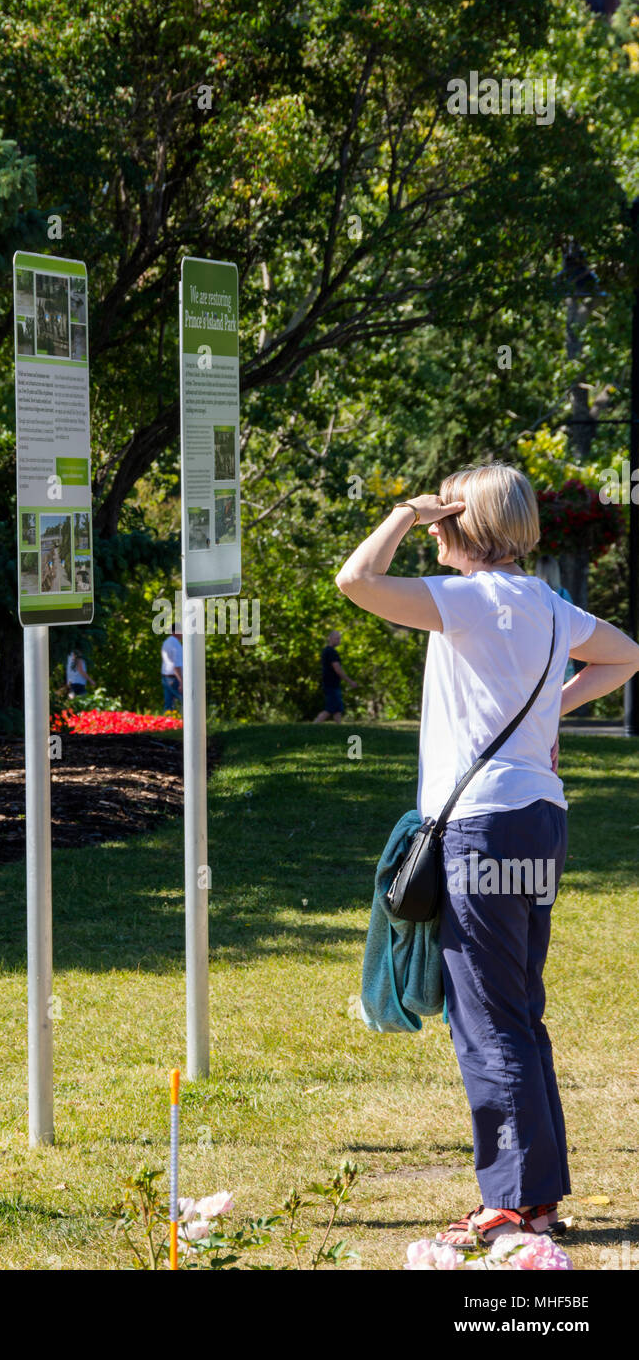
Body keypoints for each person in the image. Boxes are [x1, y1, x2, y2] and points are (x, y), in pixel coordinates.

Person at [335, 461, 639, 1249]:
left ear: (463, 525)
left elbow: (356, 580)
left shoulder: (464, 601)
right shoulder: (546, 603)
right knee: (518, 1012)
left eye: (444, 518)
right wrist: (551, 712)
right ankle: (535, 1197)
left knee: (488, 1018)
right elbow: (626, 655)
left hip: (480, 828)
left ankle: (512, 1203)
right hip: (539, 821)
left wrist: (402, 511)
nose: (434, 528)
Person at [313, 629, 357, 722]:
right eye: (337, 638)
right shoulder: (331, 652)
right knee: (330, 708)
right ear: (330, 638)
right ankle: (314, 725)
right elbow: (337, 669)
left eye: (339, 638)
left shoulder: (326, 651)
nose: (339, 640)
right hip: (331, 684)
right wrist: (350, 681)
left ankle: (339, 728)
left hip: (332, 684)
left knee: (337, 708)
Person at [161, 624, 183, 712]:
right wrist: (181, 682)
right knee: (186, 701)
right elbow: (176, 665)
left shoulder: (166, 642)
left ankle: (168, 723)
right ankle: (184, 723)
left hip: (165, 676)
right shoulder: (175, 644)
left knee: (168, 705)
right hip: (174, 678)